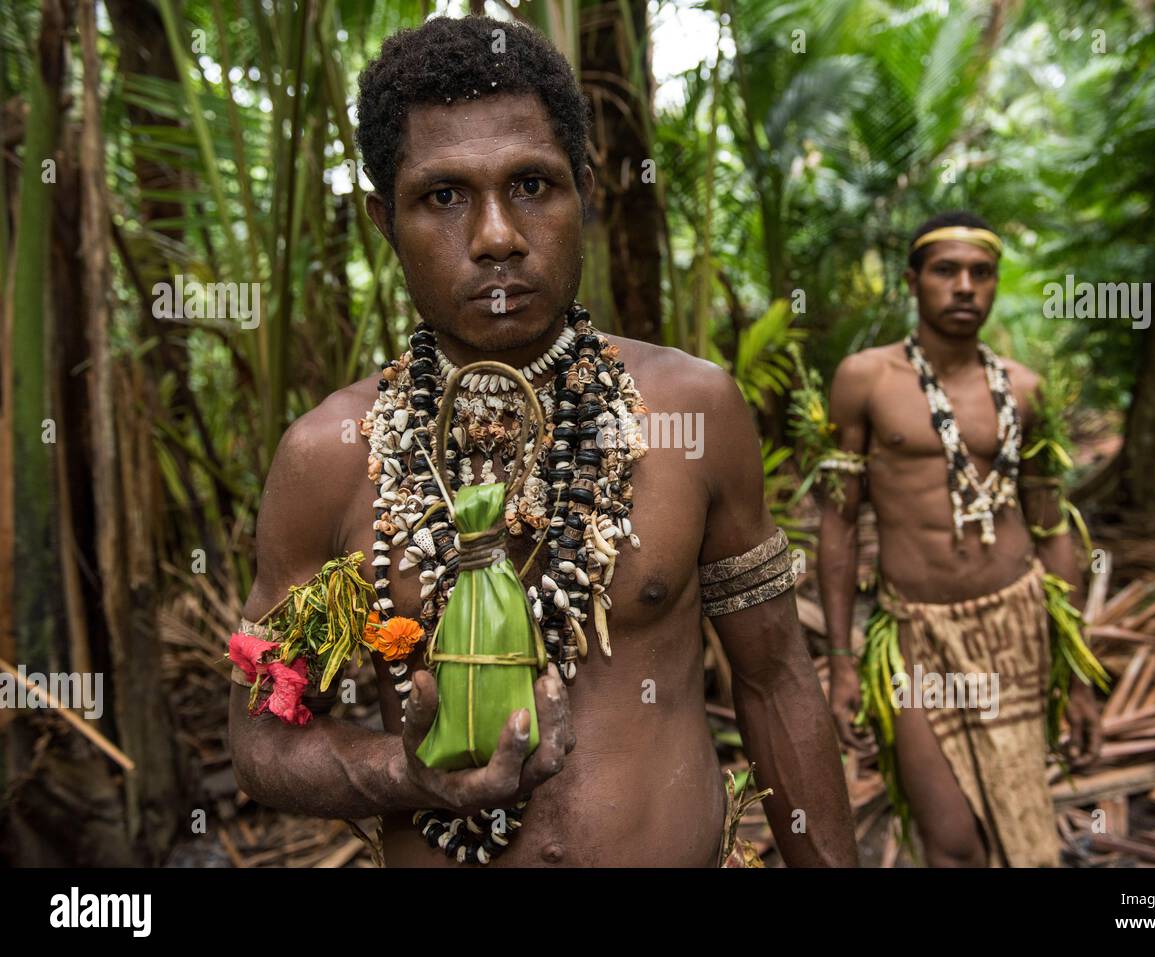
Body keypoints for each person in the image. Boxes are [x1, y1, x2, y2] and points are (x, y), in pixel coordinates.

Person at [227, 15, 856, 868]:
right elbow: (261, 735)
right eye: (443, 196)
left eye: (531, 185)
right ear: (383, 217)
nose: (496, 236)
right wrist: (409, 772)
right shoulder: (329, 455)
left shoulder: (693, 412)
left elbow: (776, 679)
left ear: (585, 189)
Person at [818, 211, 1106, 867]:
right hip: (918, 635)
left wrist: (1080, 669)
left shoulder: (1027, 390)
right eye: (946, 270)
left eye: (981, 272)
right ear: (913, 281)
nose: (965, 286)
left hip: (1018, 628)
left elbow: (1051, 524)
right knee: (952, 842)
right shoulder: (865, 379)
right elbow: (837, 520)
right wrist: (840, 656)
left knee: (1016, 820)